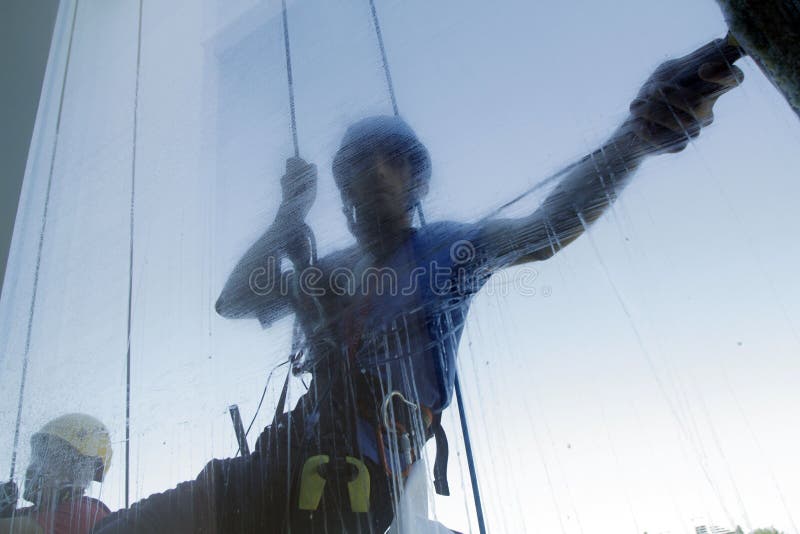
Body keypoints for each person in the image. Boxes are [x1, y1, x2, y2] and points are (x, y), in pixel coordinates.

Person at [95, 40, 742, 533]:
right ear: (344, 187)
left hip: (350, 486)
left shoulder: (445, 253)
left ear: (416, 182)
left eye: (394, 161)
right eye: (361, 164)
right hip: (279, 466)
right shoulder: (326, 274)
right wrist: (288, 214)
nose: (378, 171)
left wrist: (638, 135)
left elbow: (546, 230)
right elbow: (234, 300)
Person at [0, 414, 112, 534]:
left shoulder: (85, 513)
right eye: (36, 457)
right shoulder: (31, 513)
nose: (32, 467)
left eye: (48, 458)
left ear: (76, 471)